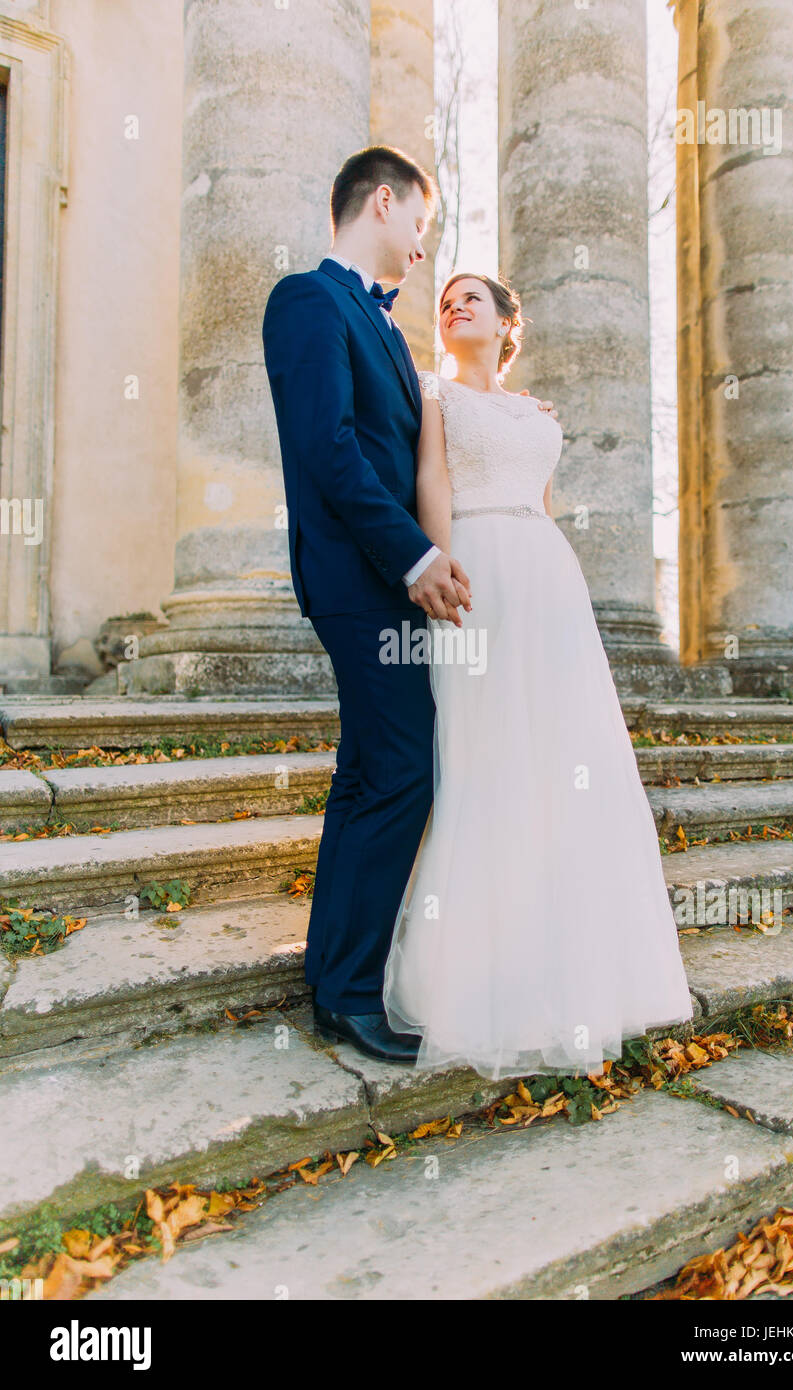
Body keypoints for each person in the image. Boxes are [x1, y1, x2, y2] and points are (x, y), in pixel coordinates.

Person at [262, 147, 555, 1063]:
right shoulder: (308, 301)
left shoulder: (387, 332)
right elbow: (329, 448)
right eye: (421, 224)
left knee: (369, 774)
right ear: (383, 203)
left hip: (391, 582)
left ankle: (330, 978)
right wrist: (418, 554)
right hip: (360, 579)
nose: (423, 248)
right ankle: (352, 991)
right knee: (402, 773)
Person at [382, 272, 695, 1081]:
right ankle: (475, 976)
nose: (454, 307)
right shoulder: (434, 397)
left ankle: (575, 965)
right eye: (445, 300)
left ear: (505, 322)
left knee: (564, 760)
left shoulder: (538, 413)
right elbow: (434, 483)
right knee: (482, 755)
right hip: (476, 570)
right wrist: (441, 565)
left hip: (547, 577)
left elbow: (544, 503)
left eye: (470, 299)